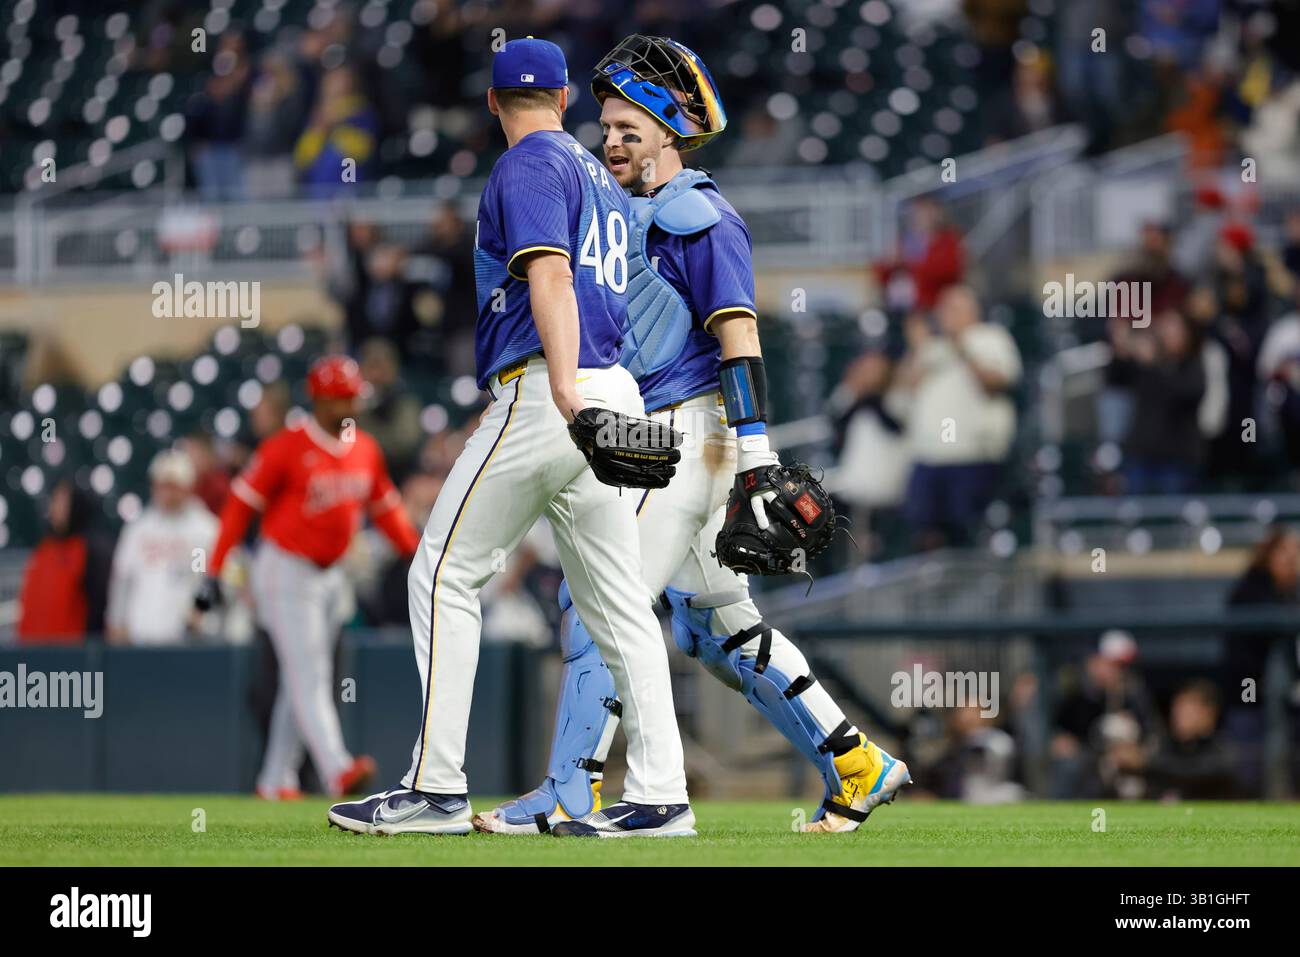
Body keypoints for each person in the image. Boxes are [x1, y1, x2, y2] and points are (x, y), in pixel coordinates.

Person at [474, 35, 909, 837]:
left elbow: (739, 335)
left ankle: (575, 790)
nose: (609, 140)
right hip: (672, 436)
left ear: (671, 128)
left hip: (692, 434)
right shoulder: (625, 209)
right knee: (722, 628)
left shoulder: (696, 212)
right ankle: (854, 761)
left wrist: (757, 457)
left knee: (598, 601)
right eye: (604, 125)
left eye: (627, 127)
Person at [328, 38, 694, 838]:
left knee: (440, 574)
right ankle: (663, 793)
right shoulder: (599, 174)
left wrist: (562, 389)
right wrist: (598, 390)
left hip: (553, 392)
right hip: (606, 384)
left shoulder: (528, 163)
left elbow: (552, 276)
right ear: (565, 98)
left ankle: (436, 788)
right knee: (619, 605)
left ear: (493, 104)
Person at [195, 355, 421, 800]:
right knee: (309, 672)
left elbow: (388, 511)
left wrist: (417, 554)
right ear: (319, 401)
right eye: (342, 399)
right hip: (284, 567)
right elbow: (239, 507)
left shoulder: (365, 449)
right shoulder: (285, 446)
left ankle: (275, 778)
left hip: (331, 573)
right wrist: (214, 568)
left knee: (300, 679)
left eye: (354, 398)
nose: (351, 407)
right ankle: (337, 768)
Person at [895, 286, 1022, 549]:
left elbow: (996, 384)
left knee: (966, 538)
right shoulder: (931, 347)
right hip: (927, 458)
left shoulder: (991, 338)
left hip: (972, 458)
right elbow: (902, 392)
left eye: (955, 309)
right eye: (944, 309)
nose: (947, 315)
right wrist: (917, 348)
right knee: (924, 537)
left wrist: (961, 345)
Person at [105, 451, 218, 646]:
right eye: (161, 486)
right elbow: (123, 577)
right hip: (140, 634)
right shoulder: (139, 529)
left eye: (172, 486)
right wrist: (116, 620)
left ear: (187, 487)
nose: (166, 493)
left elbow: (205, 578)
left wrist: (201, 610)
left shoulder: (202, 529)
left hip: (186, 639)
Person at [17, 481, 113, 644]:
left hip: (71, 654)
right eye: (54, 501)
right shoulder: (45, 548)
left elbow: (98, 607)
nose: (55, 508)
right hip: (31, 651)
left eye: (62, 502)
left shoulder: (92, 549)